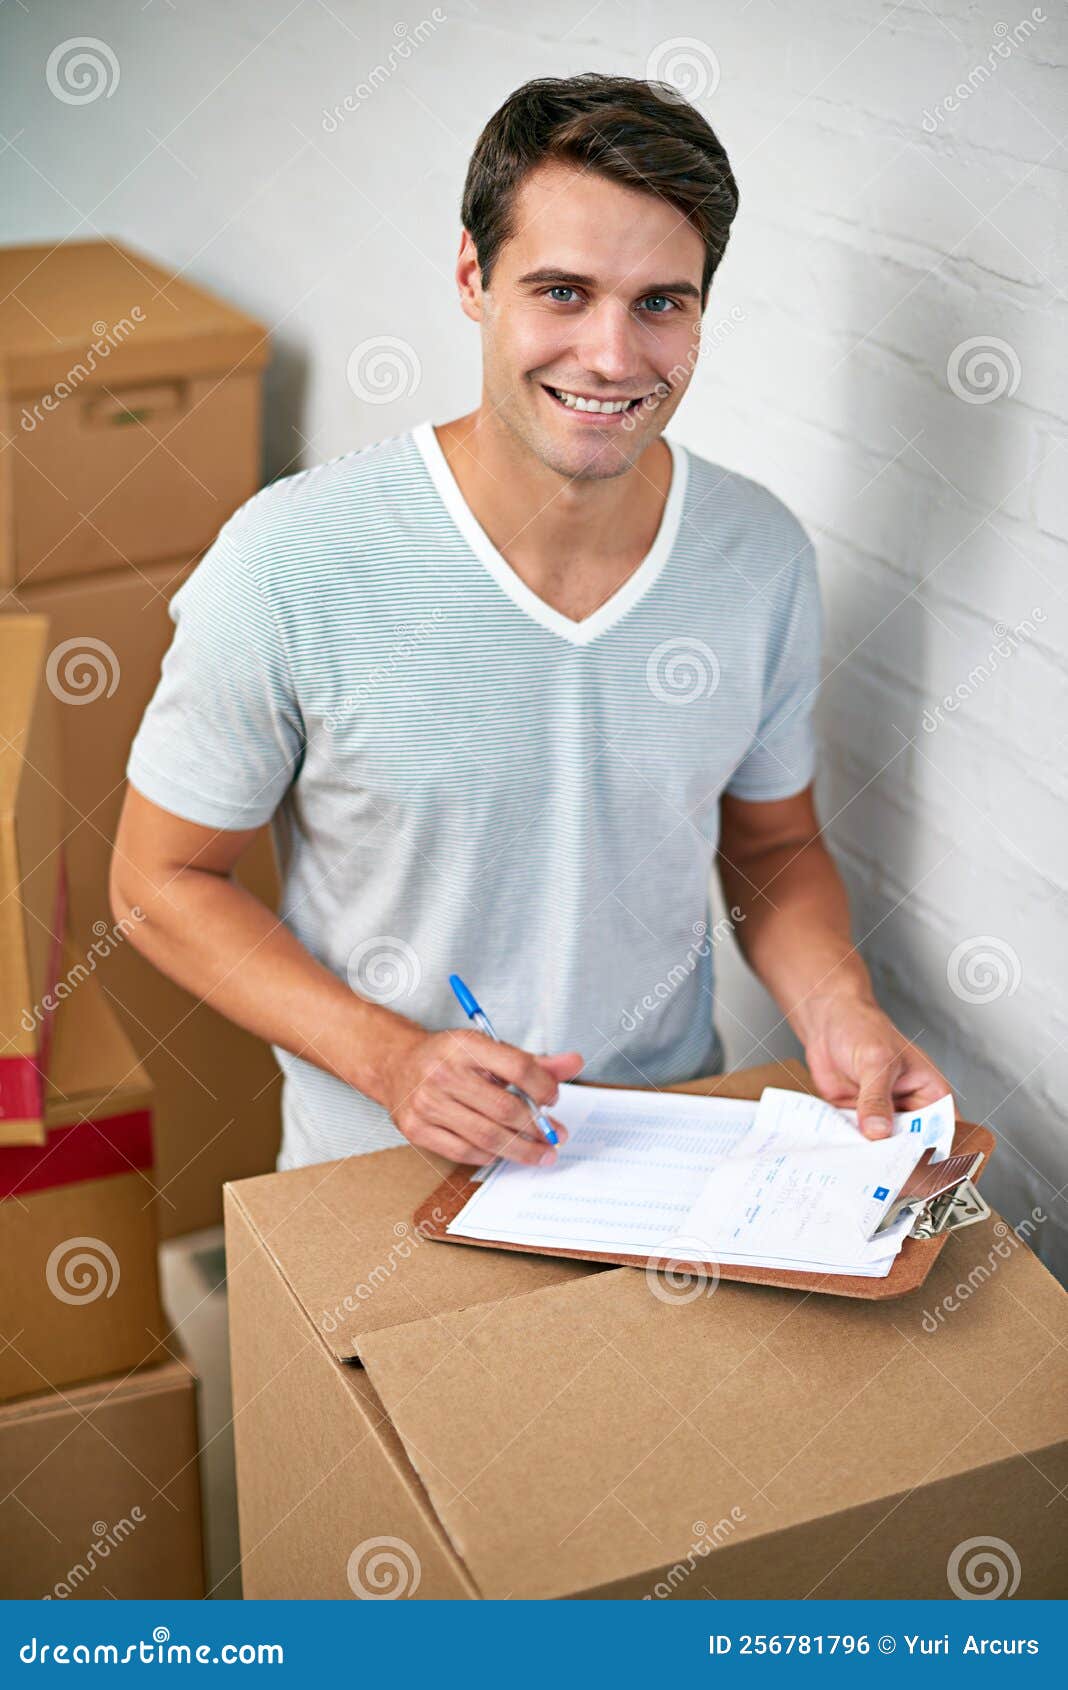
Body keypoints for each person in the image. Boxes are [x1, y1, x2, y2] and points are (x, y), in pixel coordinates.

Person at [112, 72, 951, 1174]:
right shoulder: (289, 561)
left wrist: (838, 1004)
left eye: (661, 303)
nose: (612, 356)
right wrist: (390, 1060)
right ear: (473, 277)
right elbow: (159, 881)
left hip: (663, 1159)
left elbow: (773, 847)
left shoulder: (760, 557)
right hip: (375, 1172)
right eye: (562, 292)